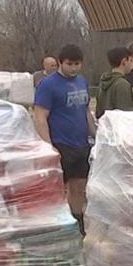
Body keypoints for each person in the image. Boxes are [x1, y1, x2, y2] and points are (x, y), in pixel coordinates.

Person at [33, 44, 93, 233]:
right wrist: (48, 146)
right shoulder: (48, 84)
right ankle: (58, 225)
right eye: (69, 64)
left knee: (79, 187)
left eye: (77, 64)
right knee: (60, 189)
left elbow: (86, 111)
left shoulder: (82, 82)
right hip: (61, 143)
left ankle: (78, 223)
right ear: (60, 63)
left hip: (81, 143)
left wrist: (95, 133)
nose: (74, 68)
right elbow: (40, 116)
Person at [96, 46, 133, 118]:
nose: (132, 64)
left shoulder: (103, 81)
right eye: (130, 61)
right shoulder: (122, 84)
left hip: (105, 125)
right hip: (118, 126)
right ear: (124, 61)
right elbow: (126, 113)